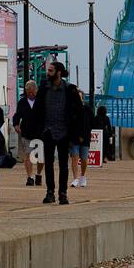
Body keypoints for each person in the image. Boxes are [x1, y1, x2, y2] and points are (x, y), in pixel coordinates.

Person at [29, 61, 82, 205]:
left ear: (59, 72)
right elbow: (37, 110)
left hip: (65, 132)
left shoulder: (70, 90)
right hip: (48, 131)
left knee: (64, 164)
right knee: (49, 163)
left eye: (51, 71)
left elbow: (79, 112)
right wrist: (36, 128)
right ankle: (50, 192)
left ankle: (63, 193)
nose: (48, 73)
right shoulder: (44, 89)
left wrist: (78, 133)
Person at [11, 79, 40, 186]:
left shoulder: (41, 100)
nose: (31, 94)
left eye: (33, 92)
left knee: (39, 157)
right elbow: (17, 115)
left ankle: (38, 174)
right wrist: (16, 124)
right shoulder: (22, 102)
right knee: (28, 155)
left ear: (36, 90)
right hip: (26, 132)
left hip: (39, 133)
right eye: (29, 92)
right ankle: (30, 177)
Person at [67, 88, 90, 188]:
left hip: (84, 138)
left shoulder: (87, 110)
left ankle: (83, 176)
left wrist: (83, 135)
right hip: (73, 137)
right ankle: (75, 178)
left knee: (84, 159)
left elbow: (90, 124)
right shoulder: (70, 109)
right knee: (74, 157)